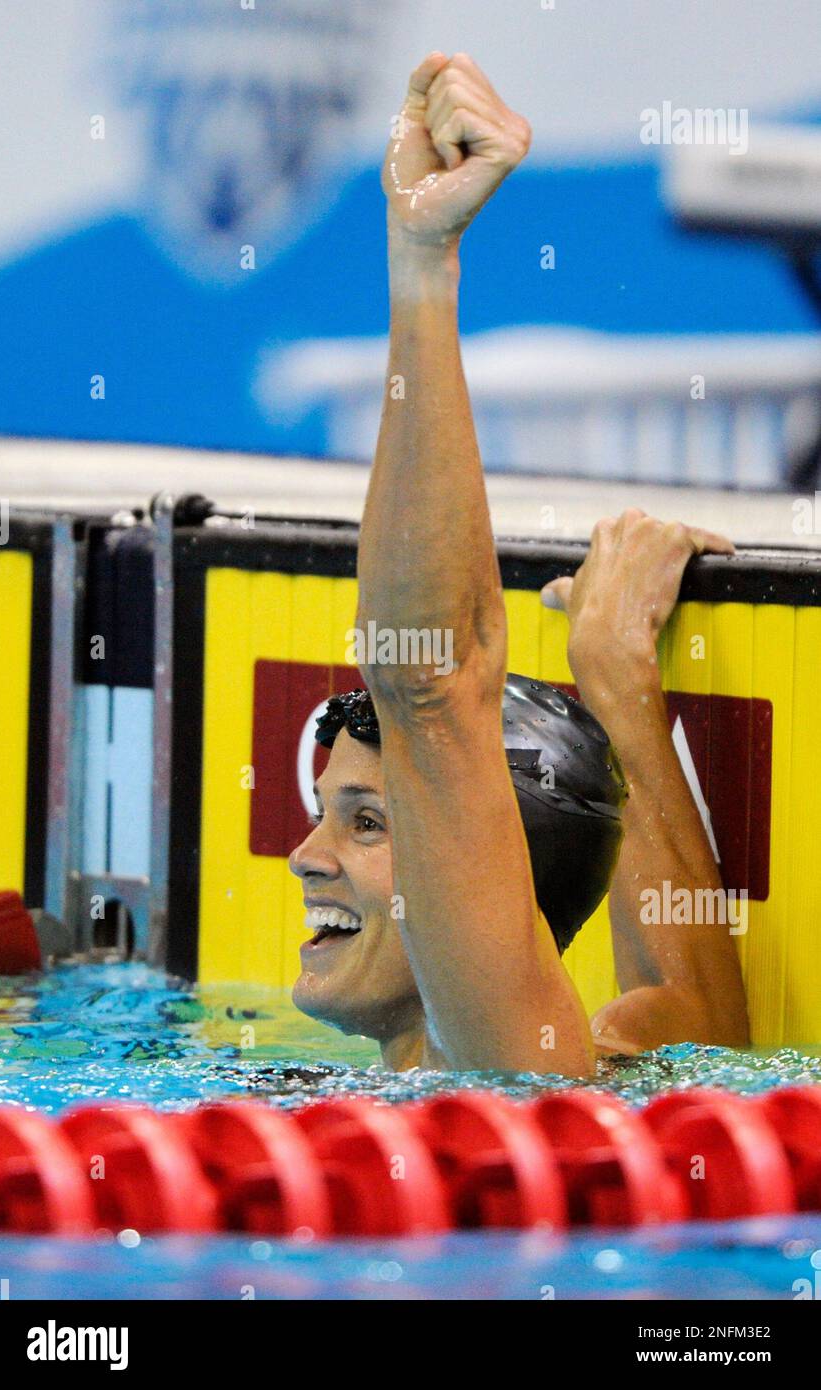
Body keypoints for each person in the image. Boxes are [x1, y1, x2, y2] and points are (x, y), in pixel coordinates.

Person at [290, 53, 749, 1076]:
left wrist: (422, 265)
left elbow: (433, 688)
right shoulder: (605, 1068)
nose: (303, 856)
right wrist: (618, 681)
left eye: (368, 822)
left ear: (491, 875)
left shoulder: (508, 1070)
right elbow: (700, 1021)